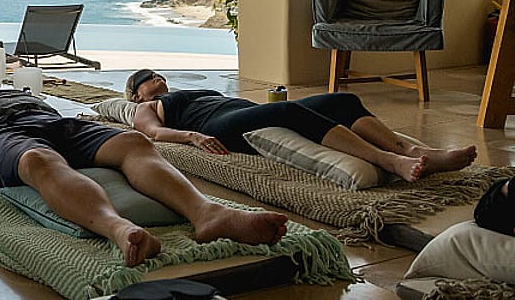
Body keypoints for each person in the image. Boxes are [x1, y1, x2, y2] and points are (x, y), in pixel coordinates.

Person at [0, 71, 291, 267]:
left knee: (133, 142)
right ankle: (120, 229)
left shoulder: (3, 91)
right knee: (39, 161)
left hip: (50, 121)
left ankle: (208, 214)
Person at [124, 69, 477, 182]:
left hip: (244, 111)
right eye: (146, 78)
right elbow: (153, 133)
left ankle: (413, 150)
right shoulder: (144, 108)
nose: (155, 77)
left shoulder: (185, 92)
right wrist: (192, 136)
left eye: (156, 74)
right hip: (216, 126)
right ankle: (390, 161)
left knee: (340, 101)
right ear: (136, 94)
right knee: (290, 110)